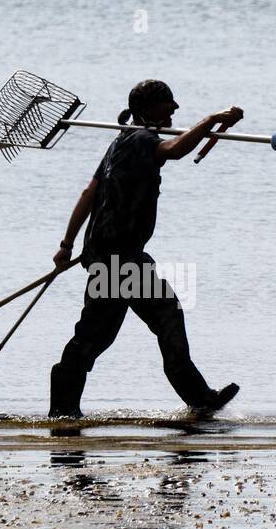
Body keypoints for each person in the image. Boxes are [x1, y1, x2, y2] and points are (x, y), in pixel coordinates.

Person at [48, 79, 241, 418]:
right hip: (118, 260)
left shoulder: (120, 142)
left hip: (116, 256)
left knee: (130, 323)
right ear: (148, 108)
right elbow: (176, 150)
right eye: (168, 103)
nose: (175, 109)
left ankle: (198, 399)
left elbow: (87, 195)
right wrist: (211, 120)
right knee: (117, 328)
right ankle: (63, 410)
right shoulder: (140, 140)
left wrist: (67, 245)